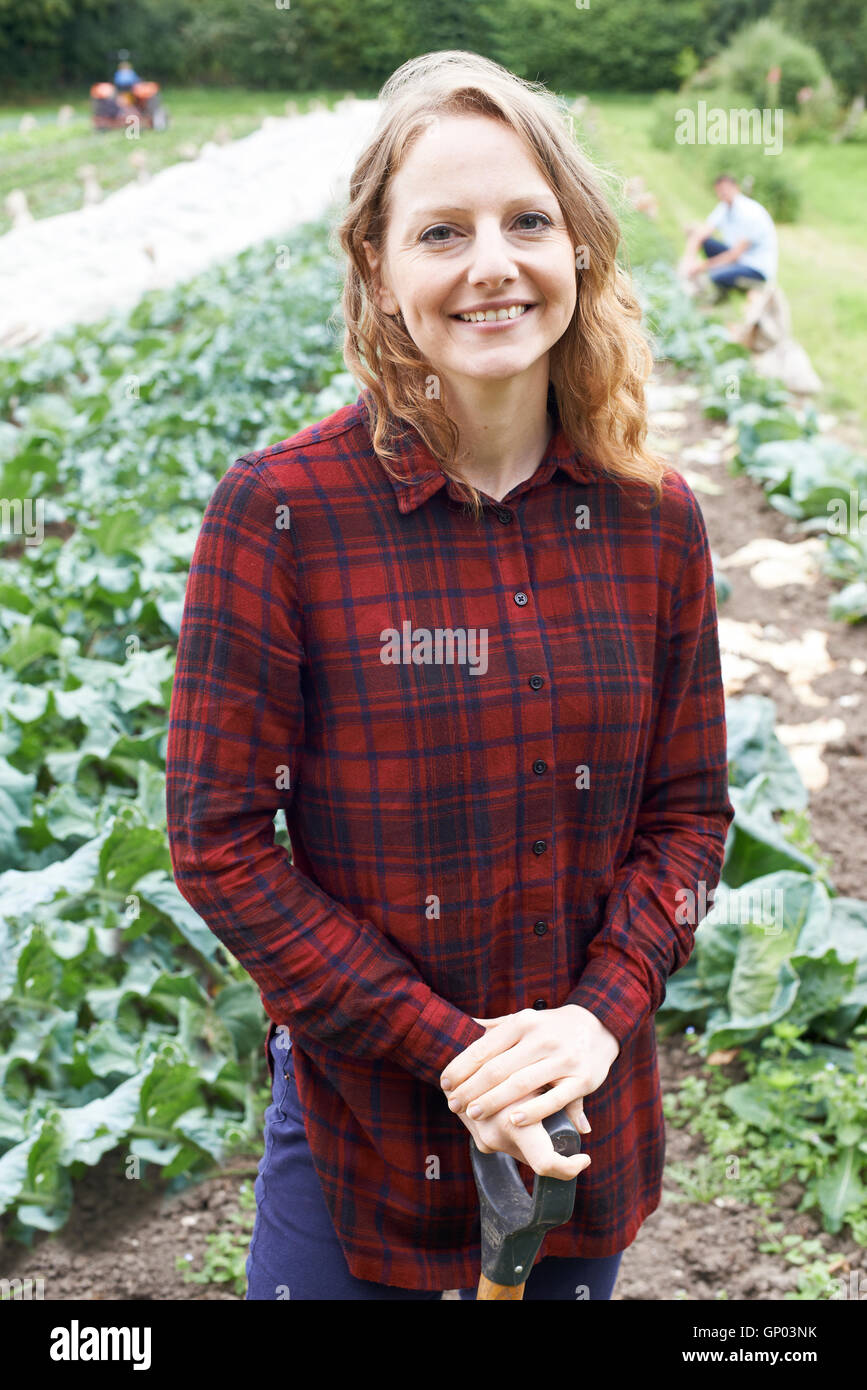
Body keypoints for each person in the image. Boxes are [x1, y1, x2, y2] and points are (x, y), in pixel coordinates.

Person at [165, 50, 734, 1301]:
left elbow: (690, 819)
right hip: (362, 1135)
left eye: (529, 220)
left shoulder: (656, 520)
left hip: (582, 1125)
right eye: (442, 230)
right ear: (378, 267)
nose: (493, 263)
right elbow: (217, 842)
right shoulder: (282, 513)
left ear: (579, 247)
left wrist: (593, 1015)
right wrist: (450, 1048)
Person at [679, 173, 778, 297]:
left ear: (736, 188)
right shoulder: (724, 208)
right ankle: (699, 274)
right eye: (719, 191)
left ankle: (725, 288)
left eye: (726, 189)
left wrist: (702, 266)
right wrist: (688, 259)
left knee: (714, 275)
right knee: (706, 242)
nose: (723, 193)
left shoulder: (751, 213)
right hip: (738, 258)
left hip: (754, 267)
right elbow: (701, 234)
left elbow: (735, 255)